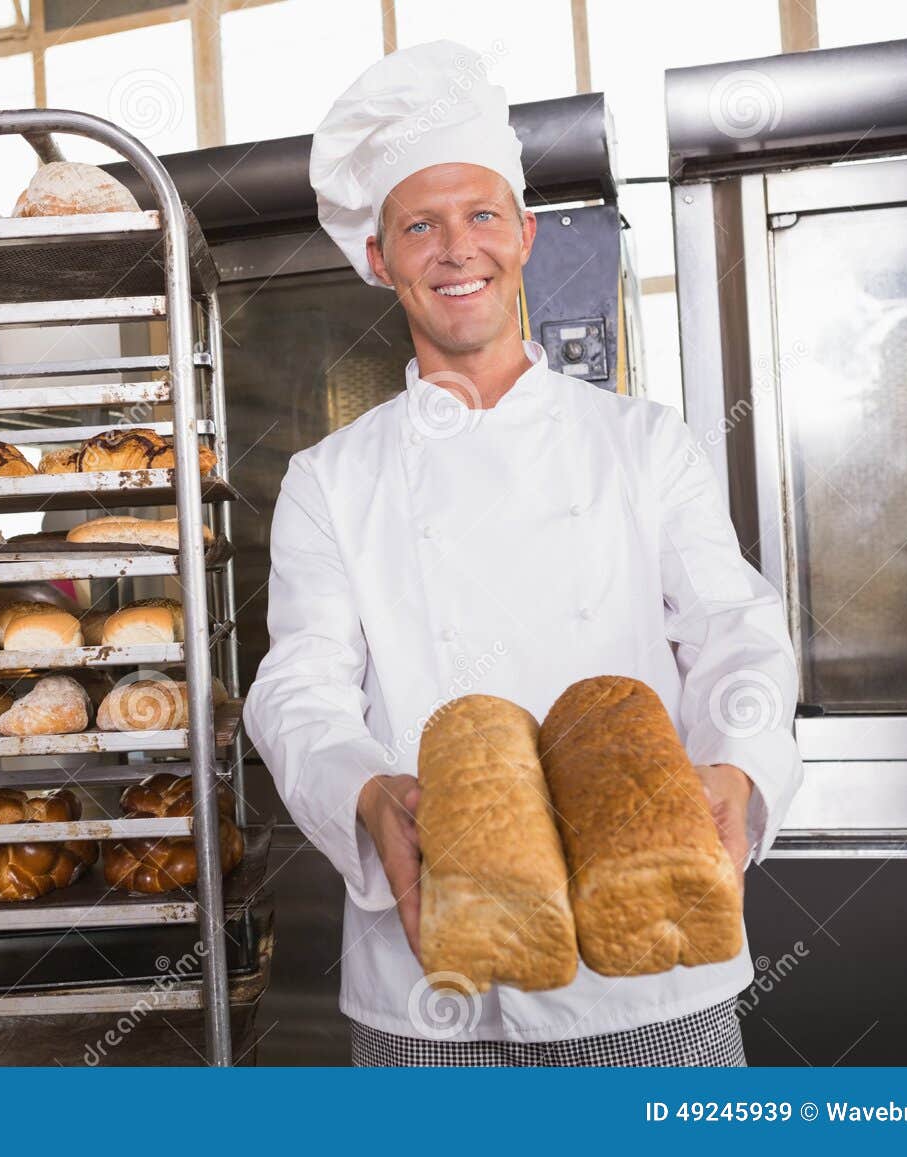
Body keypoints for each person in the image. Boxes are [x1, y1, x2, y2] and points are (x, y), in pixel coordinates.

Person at [241, 41, 804, 1067]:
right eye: (420, 224)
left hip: (653, 985)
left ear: (525, 236)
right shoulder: (333, 479)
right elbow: (299, 690)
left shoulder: (643, 442)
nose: (457, 248)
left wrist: (741, 768)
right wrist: (367, 794)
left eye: (481, 215)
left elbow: (738, 633)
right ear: (379, 257)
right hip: (430, 987)